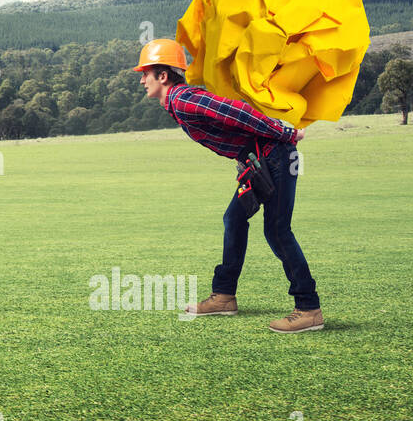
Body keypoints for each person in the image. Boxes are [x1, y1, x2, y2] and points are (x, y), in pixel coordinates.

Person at [133, 38, 323, 333]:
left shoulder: (183, 99)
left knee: (276, 230)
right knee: (233, 218)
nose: (142, 79)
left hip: (276, 155)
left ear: (163, 76)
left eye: (146, 73)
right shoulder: (177, 103)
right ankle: (223, 296)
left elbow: (236, 112)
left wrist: (284, 132)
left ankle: (309, 308)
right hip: (260, 160)